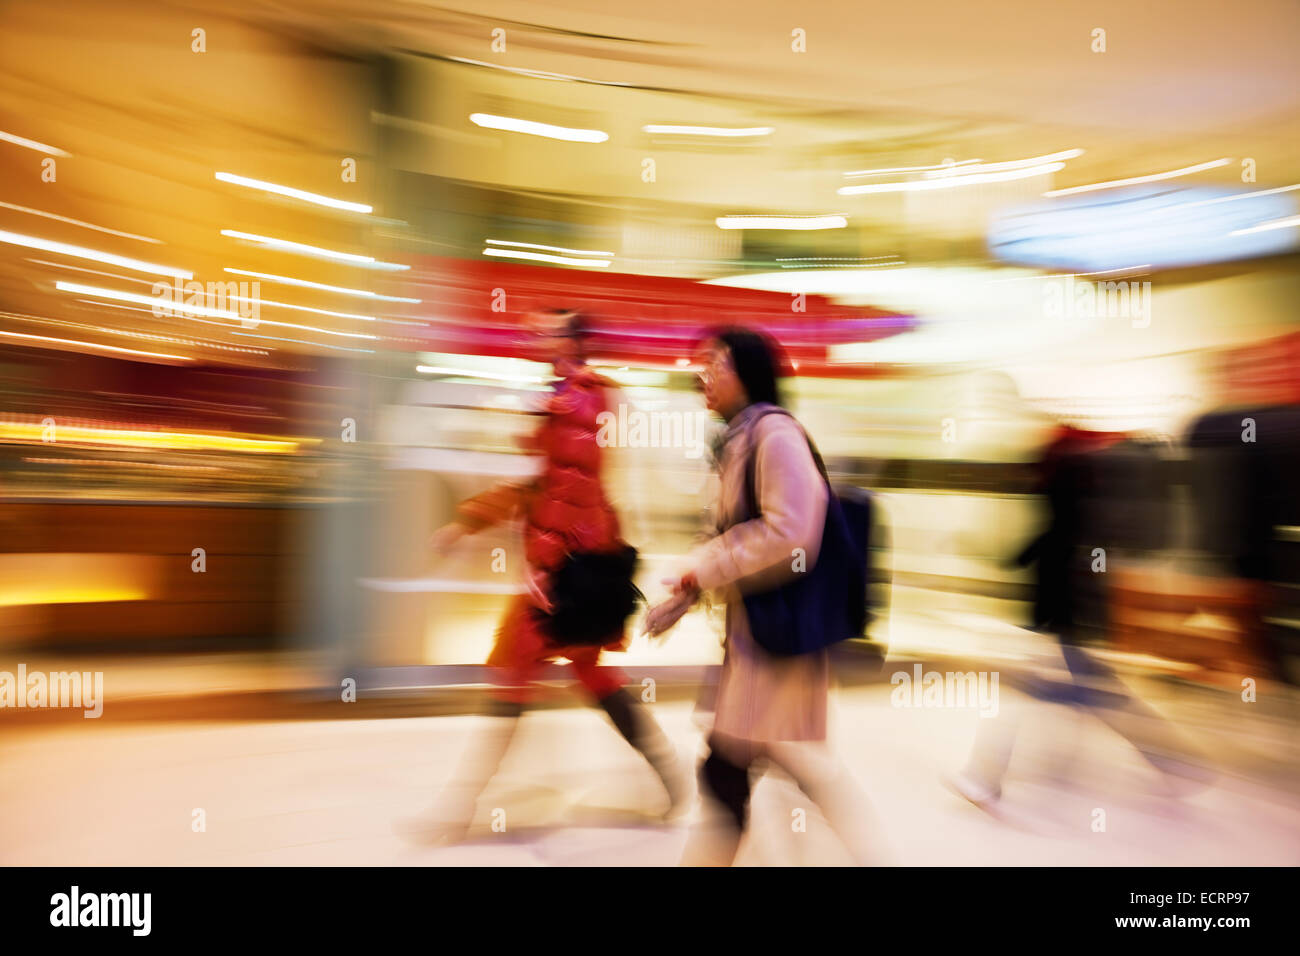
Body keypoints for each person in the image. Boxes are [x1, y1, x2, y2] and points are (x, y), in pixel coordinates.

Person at [412, 308, 687, 843]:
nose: (532, 337)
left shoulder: (580, 400)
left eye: (545, 331)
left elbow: (570, 489)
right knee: (589, 673)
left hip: (565, 574)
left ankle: (462, 806)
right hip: (572, 569)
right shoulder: (562, 397)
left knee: (516, 676)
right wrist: (470, 520)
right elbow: (538, 486)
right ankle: (667, 773)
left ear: (572, 341)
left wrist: (544, 565)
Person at [645, 327, 879, 866]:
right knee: (771, 762)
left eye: (716, 363)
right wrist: (687, 593)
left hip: (777, 636)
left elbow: (791, 533)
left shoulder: (774, 436)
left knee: (727, 771)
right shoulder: (740, 440)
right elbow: (735, 536)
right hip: (757, 635)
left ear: (747, 372)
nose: (704, 375)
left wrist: (704, 571)